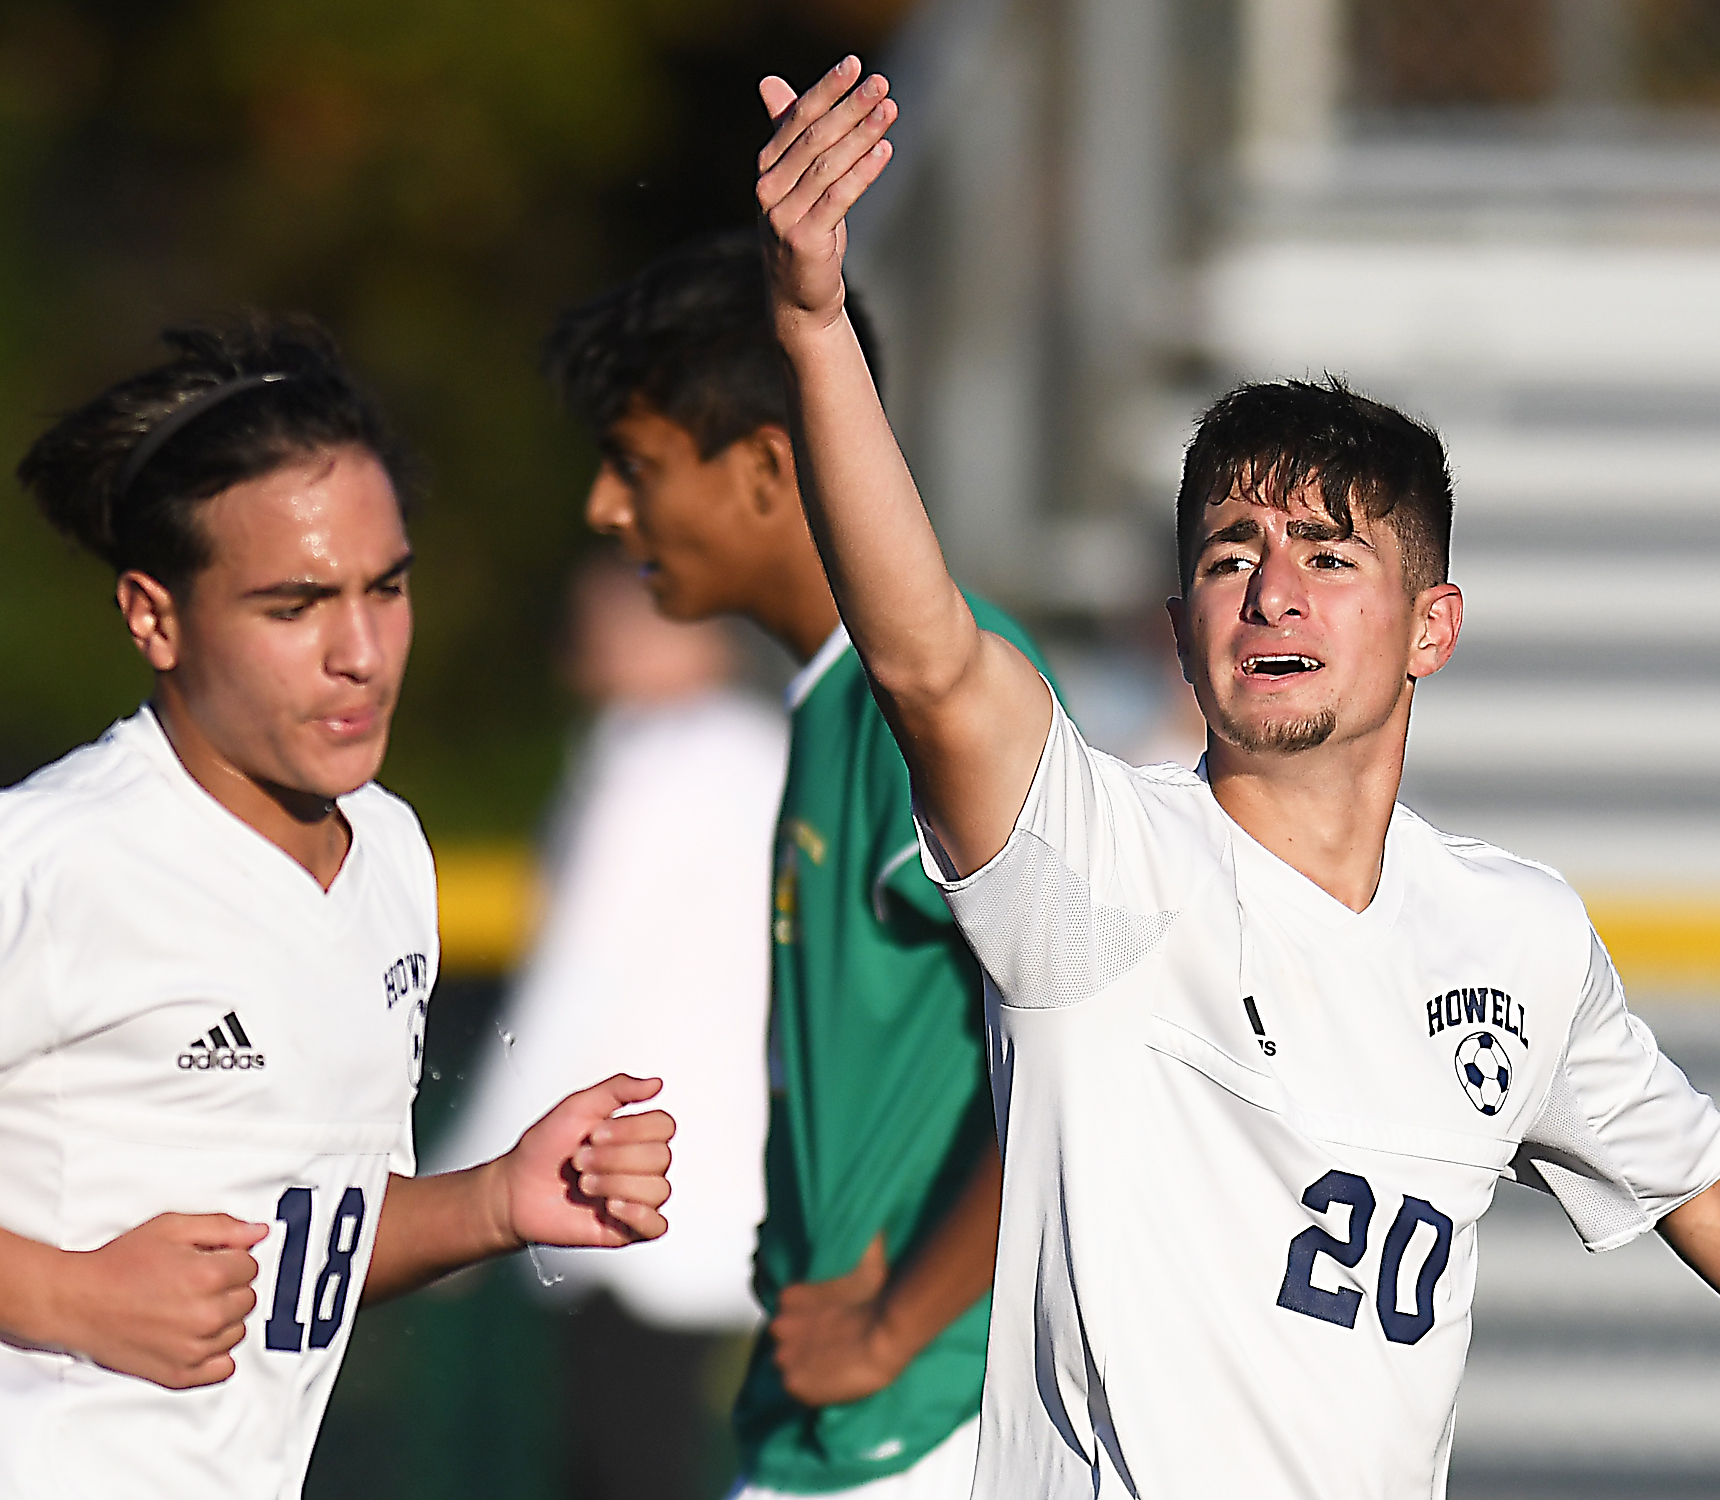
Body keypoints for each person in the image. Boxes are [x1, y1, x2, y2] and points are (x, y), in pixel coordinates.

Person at [750, 58, 1720, 1500]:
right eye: (1227, 561)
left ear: (1430, 630)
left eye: (1329, 559)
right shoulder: (1092, 861)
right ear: (1179, 639)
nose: (1272, 595)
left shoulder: (1512, 935)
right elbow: (931, 662)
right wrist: (816, 325)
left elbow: (1714, 1186)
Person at [0, 316, 677, 1500]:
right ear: (154, 617)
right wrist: (67, 1297)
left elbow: (306, 1238)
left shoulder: (392, 855)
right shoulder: (58, 858)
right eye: (295, 604)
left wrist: (495, 1200)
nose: (359, 652)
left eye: (387, 587)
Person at [543, 229, 1059, 1499]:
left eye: (637, 464)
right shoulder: (828, 702)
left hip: (922, 1431)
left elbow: (1096, 1041)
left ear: (771, 467)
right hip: (840, 1434)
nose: (606, 509)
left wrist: (893, 1330)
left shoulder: (931, 702)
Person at [438, 552, 785, 1498]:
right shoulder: (765, 752)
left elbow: (576, 984)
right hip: (729, 1192)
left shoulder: (651, 759)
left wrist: (453, 1192)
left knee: (621, 1468)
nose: (592, 634)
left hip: (626, 1197)